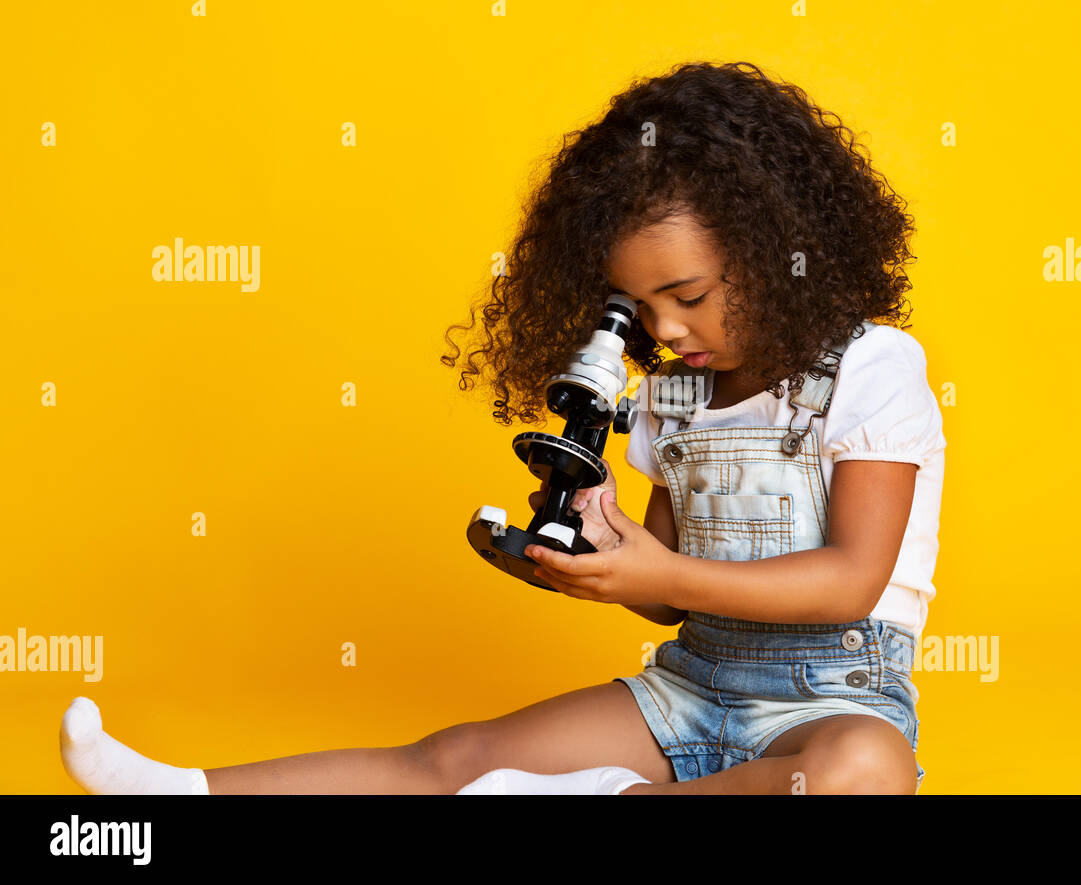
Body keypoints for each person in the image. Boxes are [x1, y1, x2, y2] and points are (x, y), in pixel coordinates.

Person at [59, 60, 944, 796]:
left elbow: (849, 581)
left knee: (862, 772)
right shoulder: (678, 396)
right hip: (691, 688)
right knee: (457, 757)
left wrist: (660, 566)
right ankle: (180, 794)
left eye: (689, 297)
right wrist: (599, 554)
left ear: (772, 249)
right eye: (642, 307)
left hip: (833, 698)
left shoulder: (870, 367)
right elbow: (670, 593)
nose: (665, 331)